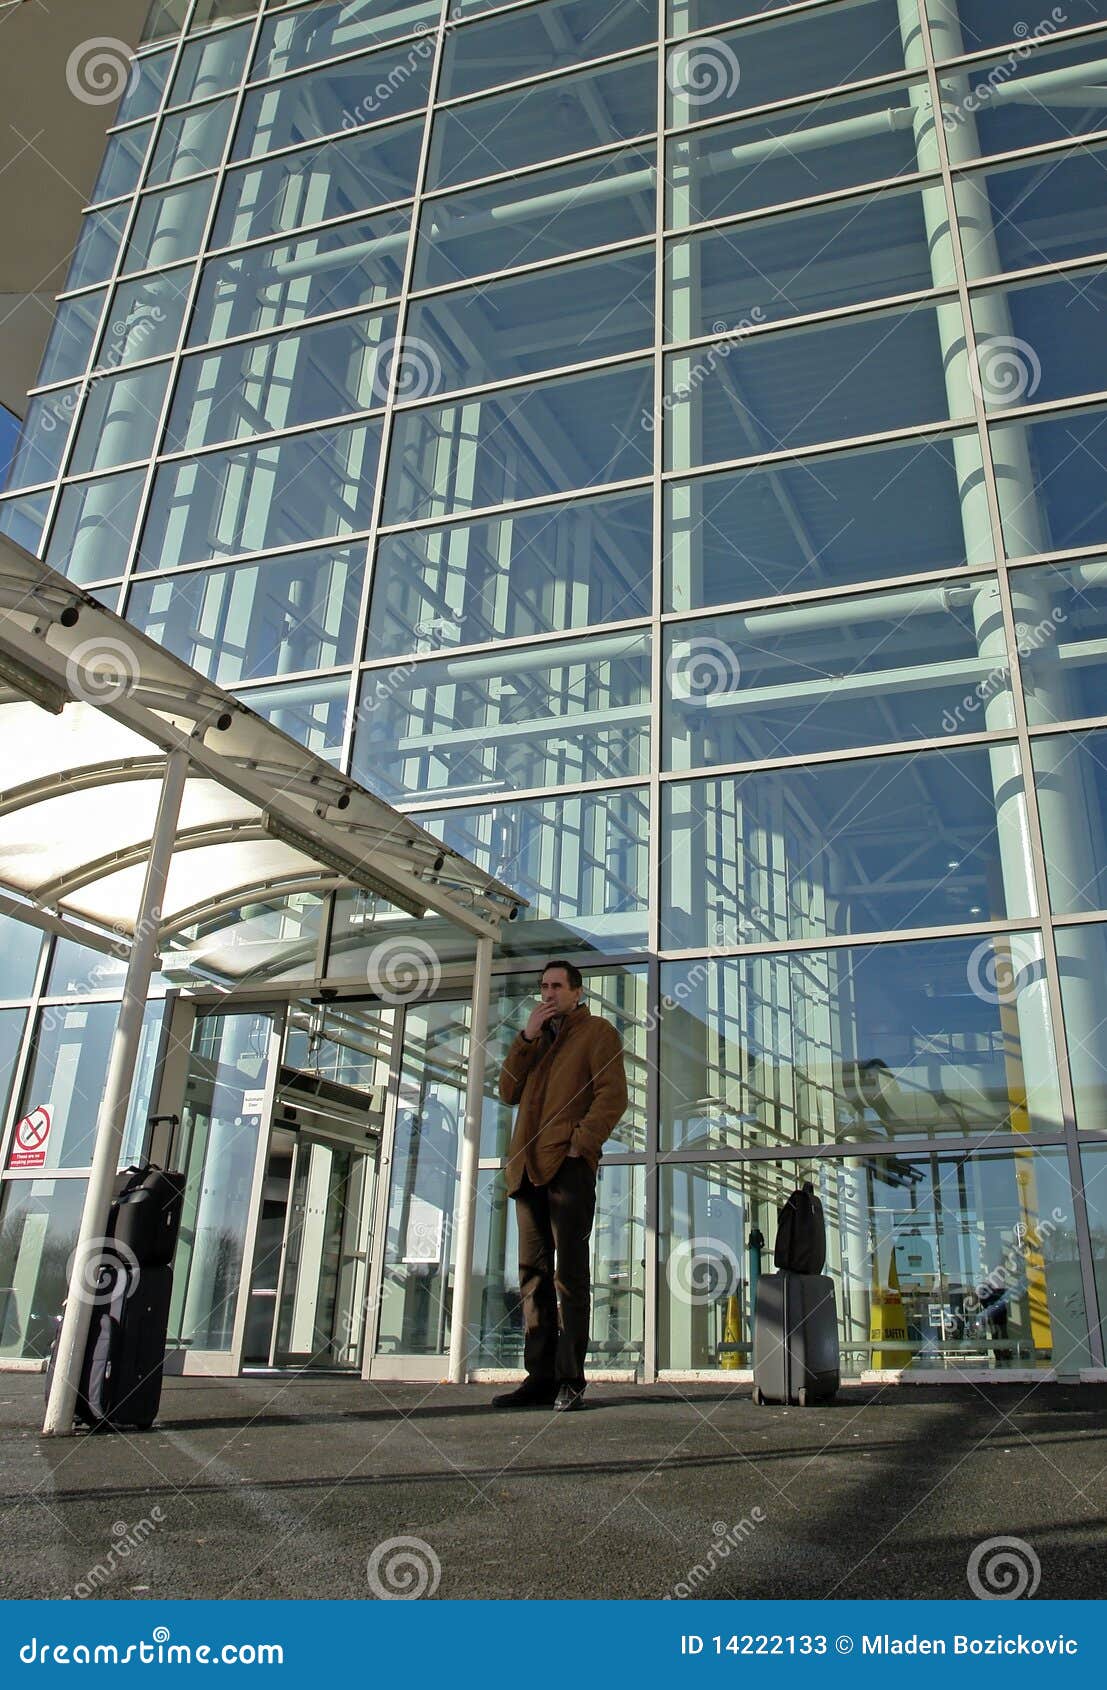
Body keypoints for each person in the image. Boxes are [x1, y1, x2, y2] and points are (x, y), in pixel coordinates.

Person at [493, 960, 628, 1412]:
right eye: (543, 986)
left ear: (576, 991)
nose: (547, 994)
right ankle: (540, 1377)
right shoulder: (534, 1038)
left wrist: (580, 1143)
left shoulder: (597, 1033)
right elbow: (507, 1092)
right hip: (526, 1169)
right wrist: (526, 1038)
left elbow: (613, 1095)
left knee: (568, 1276)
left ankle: (571, 1378)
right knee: (531, 1276)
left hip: (567, 1168)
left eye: (556, 986)